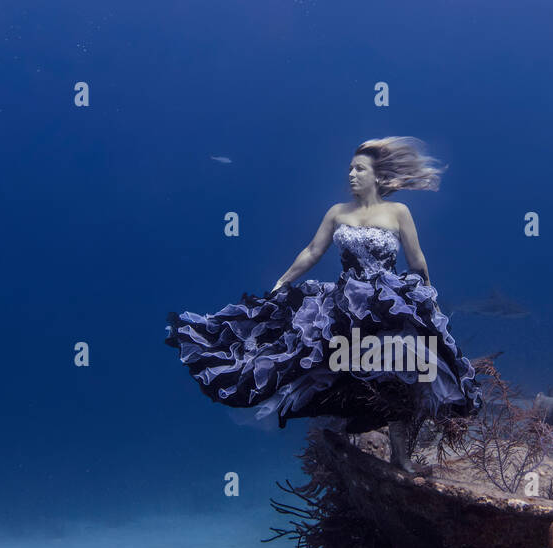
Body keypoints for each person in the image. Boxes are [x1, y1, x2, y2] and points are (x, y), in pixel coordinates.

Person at [165, 136, 482, 471]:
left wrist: (428, 304)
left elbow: (417, 262)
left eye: (360, 169)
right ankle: (353, 429)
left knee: (400, 378)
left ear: (378, 176)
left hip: (389, 305)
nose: (352, 174)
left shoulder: (399, 212)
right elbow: (312, 252)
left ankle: (401, 458)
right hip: (344, 303)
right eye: (349, 168)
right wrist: (283, 281)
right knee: (323, 363)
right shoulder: (336, 212)